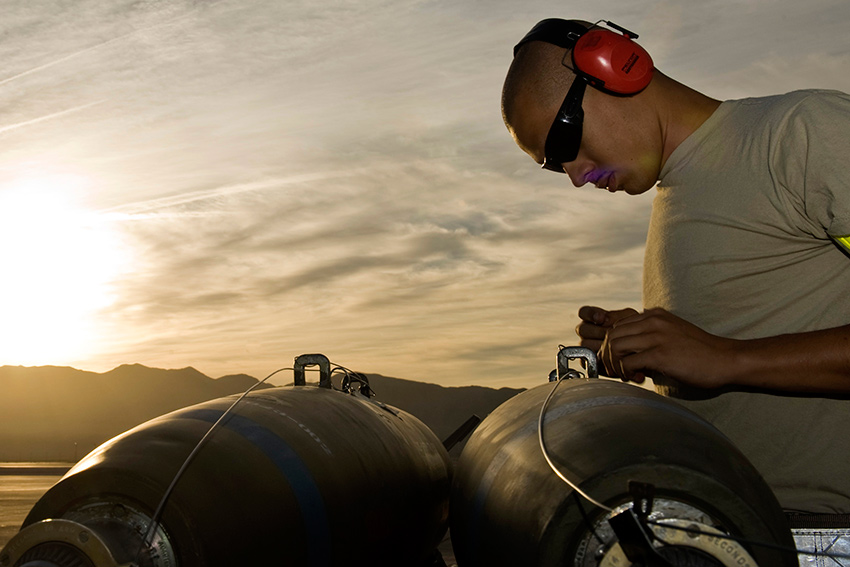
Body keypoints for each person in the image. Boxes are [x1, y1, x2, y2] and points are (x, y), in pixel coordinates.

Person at [502, 18, 850, 515]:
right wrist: (650, 346)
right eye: (554, 165)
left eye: (563, 142)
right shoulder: (677, 196)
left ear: (613, 69)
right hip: (729, 526)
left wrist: (729, 358)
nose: (575, 176)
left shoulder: (803, 131)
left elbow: (721, 358)